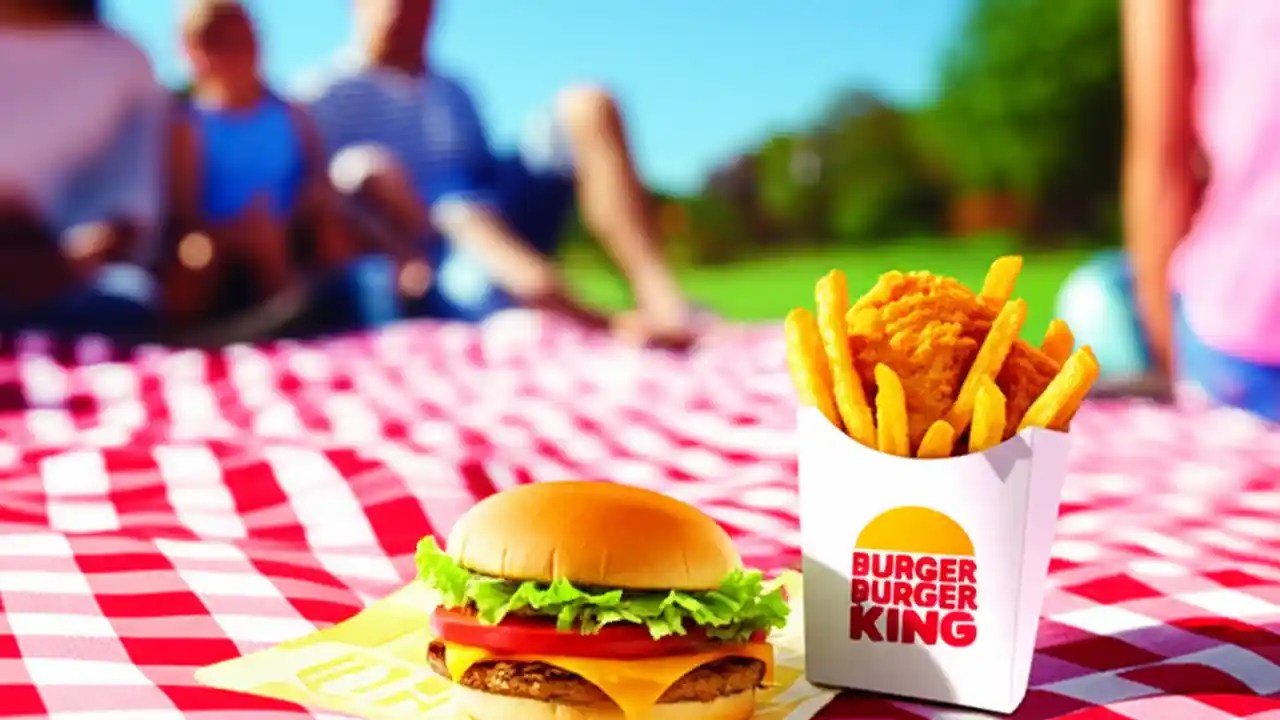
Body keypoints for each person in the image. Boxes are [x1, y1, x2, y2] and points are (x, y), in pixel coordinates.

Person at [301, 0, 693, 346]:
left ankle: (661, 296)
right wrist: (400, 246)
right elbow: (324, 200)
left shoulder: (455, 89)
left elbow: (483, 175)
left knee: (588, 104)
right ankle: (601, 322)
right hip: (429, 245)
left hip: (494, 213)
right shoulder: (325, 95)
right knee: (452, 213)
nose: (407, 10)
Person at [1059, 0, 1280, 420]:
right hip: (1245, 337)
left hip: (1242, 332)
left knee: (1096, 297)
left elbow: (1162, 163)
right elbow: (1163, 167)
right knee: (1094, 297)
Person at [165, 0, 398, 333]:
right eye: (218, 41)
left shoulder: (292, 115)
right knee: (194, 259)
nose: (233, 52)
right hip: (218, 245)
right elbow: (184, 216)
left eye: (241, 39)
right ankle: (201, 340)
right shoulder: (188, 126)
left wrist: (286, 220)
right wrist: (239, 231)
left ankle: (331, 333)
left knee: (328, 233)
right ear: (192, 51)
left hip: (290, 238)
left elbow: (317, 184)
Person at [0, 0, 164, 339]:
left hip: (69, 284)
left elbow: (128, 216)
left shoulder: (123, 62)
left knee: (127, 297)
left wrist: (60, 261)